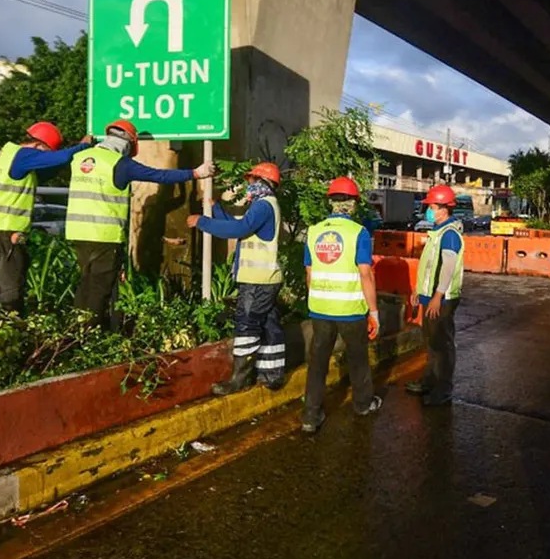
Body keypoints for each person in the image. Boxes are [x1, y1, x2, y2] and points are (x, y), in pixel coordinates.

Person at [66, 119, 214, 328]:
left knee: (86, 284)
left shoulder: (79, 158)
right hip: (104, 237)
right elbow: (158, 175)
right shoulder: (119, 164)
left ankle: (76, 330)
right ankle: (89, 336)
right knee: (100, 290)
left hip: (77, 233)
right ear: (128, 144)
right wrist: (195, 173)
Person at [0, 122, 91, 318]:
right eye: (47, 152)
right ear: (40, 146)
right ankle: (11, 317)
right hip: (3, 227)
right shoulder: (24, 156)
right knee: (12, 278)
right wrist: (83, 146)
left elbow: (48, 170)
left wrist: (64, 161)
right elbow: (62, 156)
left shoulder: (12, 155)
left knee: (18, 264)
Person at [189, 162, 286, 394]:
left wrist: (202, 222)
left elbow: (239, 230)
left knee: (247, 324)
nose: (248, 184)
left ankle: (239, 379)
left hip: (258, 280)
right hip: (266, 278)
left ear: (260, 181)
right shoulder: (263, 205)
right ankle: (272, 375)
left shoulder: (263, 205)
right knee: (269, 323)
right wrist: (217, 210)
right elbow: (241, 227)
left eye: (250, 180)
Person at [300, 176, 382, 433]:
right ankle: (362, 404)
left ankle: (310, 417)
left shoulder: (313, 232)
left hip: (320, 309)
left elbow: (309, 274)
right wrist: (374, 312)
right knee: (358, 359)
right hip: (350, 310)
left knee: (317, 363)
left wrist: (320, 298)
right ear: (353, 204)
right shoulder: (358, 233)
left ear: (331, 202)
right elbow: (366, 273)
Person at [406, 184, 465, 406]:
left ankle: (443, 389)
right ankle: (429, 381)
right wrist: (418, 291)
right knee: (431, 342)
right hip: (429, 295)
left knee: (442, 344)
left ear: (443, 208)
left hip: (443, 298)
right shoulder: (437, 232)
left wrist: (437, 297)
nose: (428, 210)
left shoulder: (449, 234)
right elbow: (428, 267)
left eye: (431, 206)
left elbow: (448, 267)